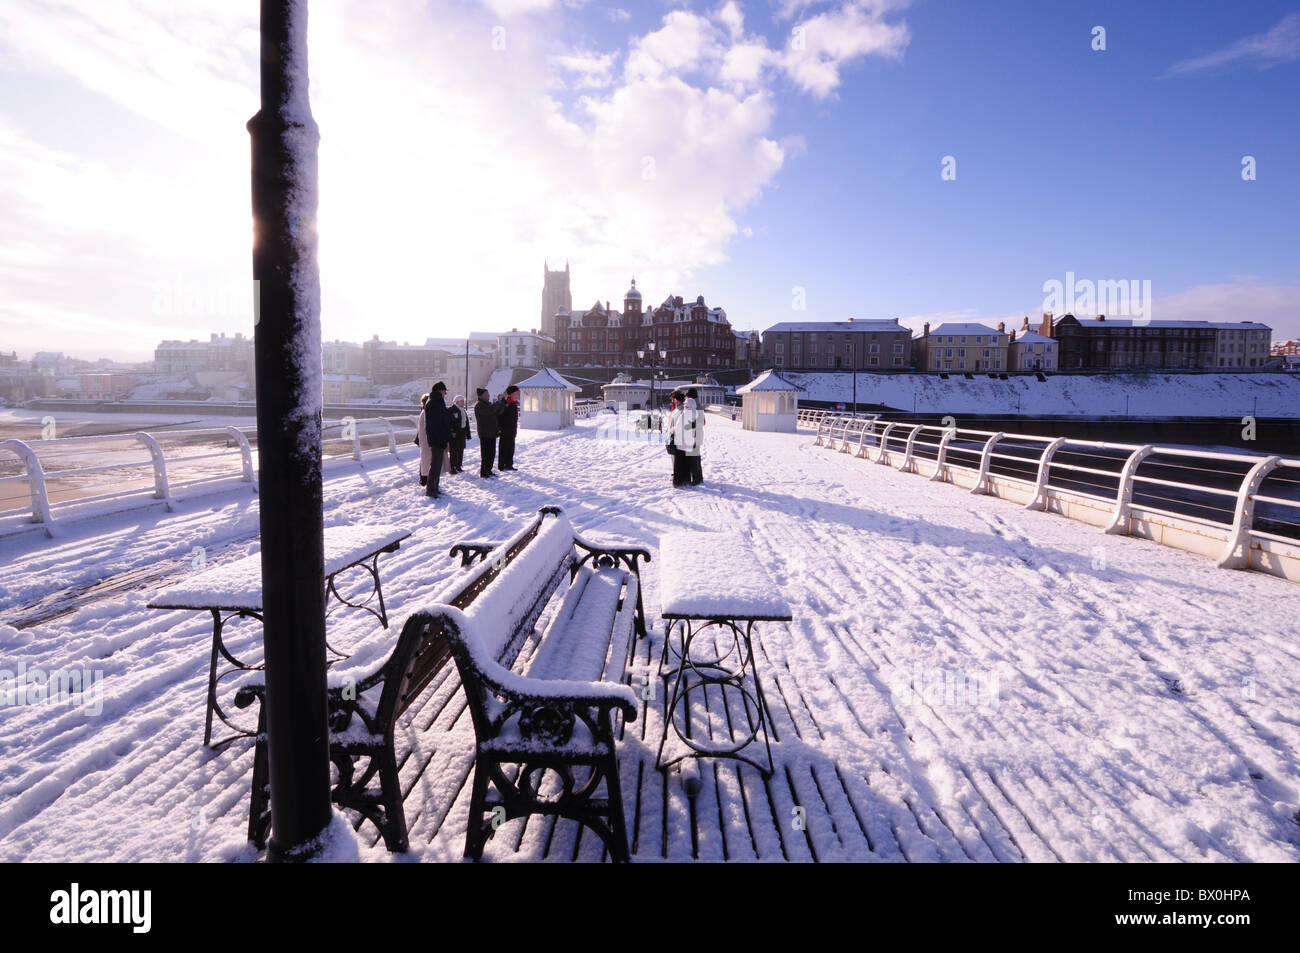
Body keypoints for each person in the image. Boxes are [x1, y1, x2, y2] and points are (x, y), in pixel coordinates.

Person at [424, 382, 452, 498]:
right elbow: (437, 424)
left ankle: (434, 487)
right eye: (444, 390)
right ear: (440, 391)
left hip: (438, 438)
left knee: (437, 464)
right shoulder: (434, 403)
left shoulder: (436, 402)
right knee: (435, 465)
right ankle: (431, 490)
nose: (445, 393)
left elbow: (442, 421)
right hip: (437, 439)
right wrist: (443, 440)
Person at [473, 387, 500, 477]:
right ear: (481, 396)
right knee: (486, 454)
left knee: (491, 453)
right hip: (485, 433)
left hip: (491, 432)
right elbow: (490, 411)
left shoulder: (487, 404)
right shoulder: (479, 405)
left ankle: (489, 469)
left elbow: (495, 412)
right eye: (486, 394)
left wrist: (501, 403)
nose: (488, 396)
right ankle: (484, 471)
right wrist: (497, 403)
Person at [666, 391, 688, 487]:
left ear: (678, 400)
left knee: (677, 457)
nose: (673, 400)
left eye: (674, 399)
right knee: (673, 456)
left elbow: (679, 425)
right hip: (671, 436)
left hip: (676, 437)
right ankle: (676, 473)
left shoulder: (682, 410)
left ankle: (678, 475)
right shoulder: (676, 410)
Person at [684, 388, 704, 486]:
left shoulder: (693, 405)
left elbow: (701, 422)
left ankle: (697, 478)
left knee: (693, 456)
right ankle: (698, 477)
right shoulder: (696, 404)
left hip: (695, 433)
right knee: (695, 456)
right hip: (697, 433)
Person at [498, 385, 520, 470]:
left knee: (511, 448)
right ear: (512, 394)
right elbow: (500, 416)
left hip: (512, 430)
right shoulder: (506, 403)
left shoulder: (514, 403)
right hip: (505, 430)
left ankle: (509, 464)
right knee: (504, 448)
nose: (518, 395)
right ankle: (501, 465)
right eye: (517, 393)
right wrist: (500, 428)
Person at [448, 394, 470, 474]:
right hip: (454, 434)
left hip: (462, 433)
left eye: (463, 401)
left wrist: (468, 434)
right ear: (457, 402)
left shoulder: (463, 410)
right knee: (454, 451)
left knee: (460, 450)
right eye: (462, 401)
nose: (463, 402)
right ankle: (452, 467)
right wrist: (452, 431)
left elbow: (466, 423)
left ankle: (458, 465)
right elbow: (449, 422)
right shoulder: (451, 410)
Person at [416, 393, 431, 487]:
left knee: (425, 458)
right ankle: (424, 478)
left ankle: (424, 478)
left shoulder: (424, 411)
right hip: (425, 439)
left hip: (423, 438)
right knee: (425, 458)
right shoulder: (425, 412)